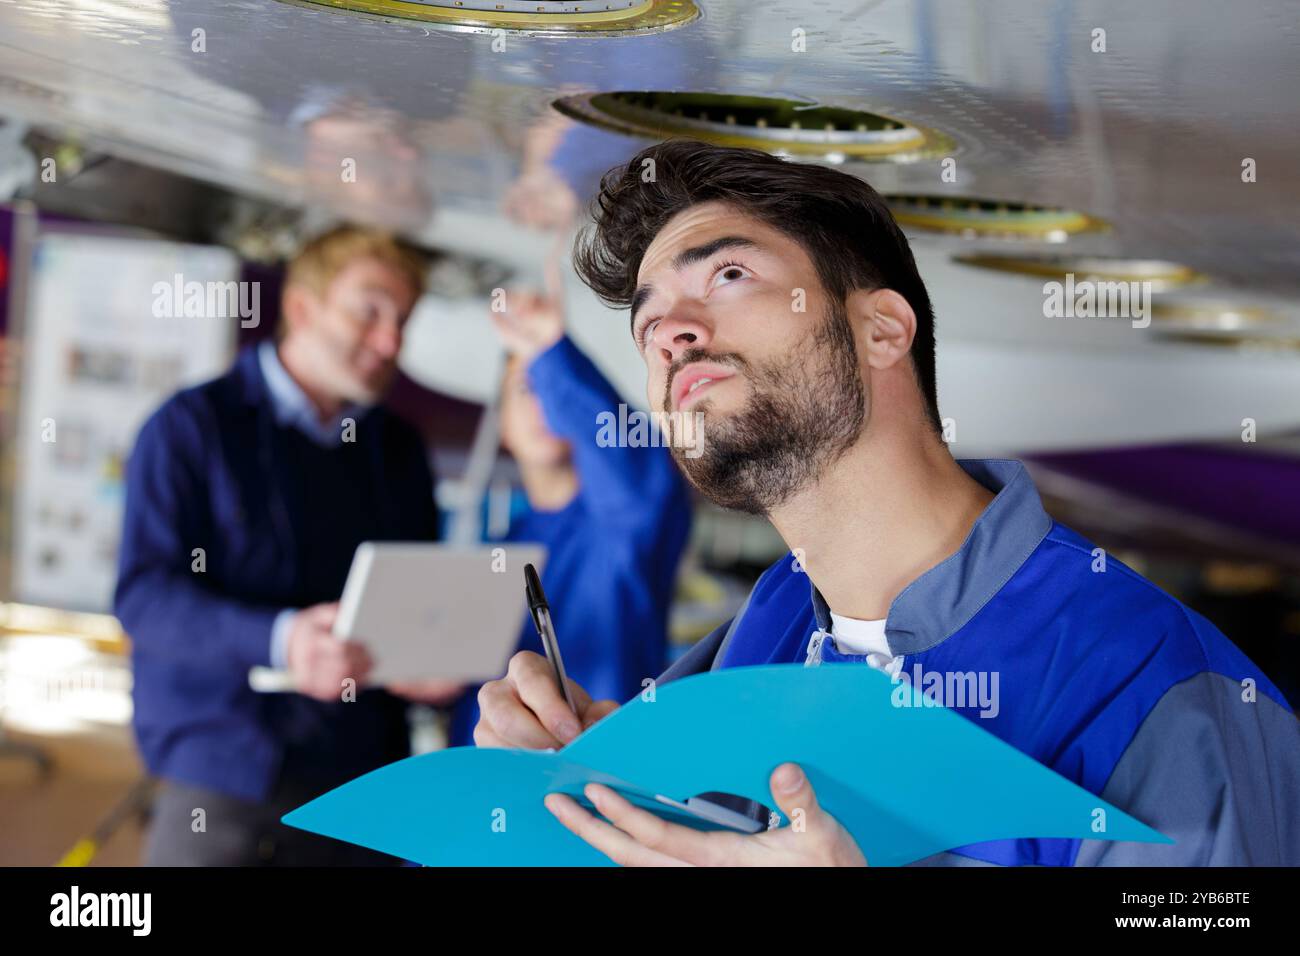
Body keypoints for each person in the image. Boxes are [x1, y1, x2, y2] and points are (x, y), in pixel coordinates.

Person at [472, 139, 1300, 866]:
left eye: (728, 274)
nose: (671, 332)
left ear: (883, 330)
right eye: (647, 326)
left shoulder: (1160, 688)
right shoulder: (759, 644)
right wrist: (577, 788)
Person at [116, 225, 458, 866]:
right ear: (301, 307)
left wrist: (427, 656)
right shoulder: (190, 429)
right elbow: (146, 598)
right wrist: (281, 639)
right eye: (369, 312)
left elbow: (411, 594)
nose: (390, 342)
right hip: (225, 769)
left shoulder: (398, 450)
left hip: (361, 775)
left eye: (403, 321)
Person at [446, 287, 692, 746]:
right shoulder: (502, 544)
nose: (543, 402)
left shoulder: (624, 521)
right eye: (525, 389)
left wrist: (549, 353)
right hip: (493, 778)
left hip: (606, 771)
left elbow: (634, 465)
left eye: (548, 387)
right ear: (502, 423)